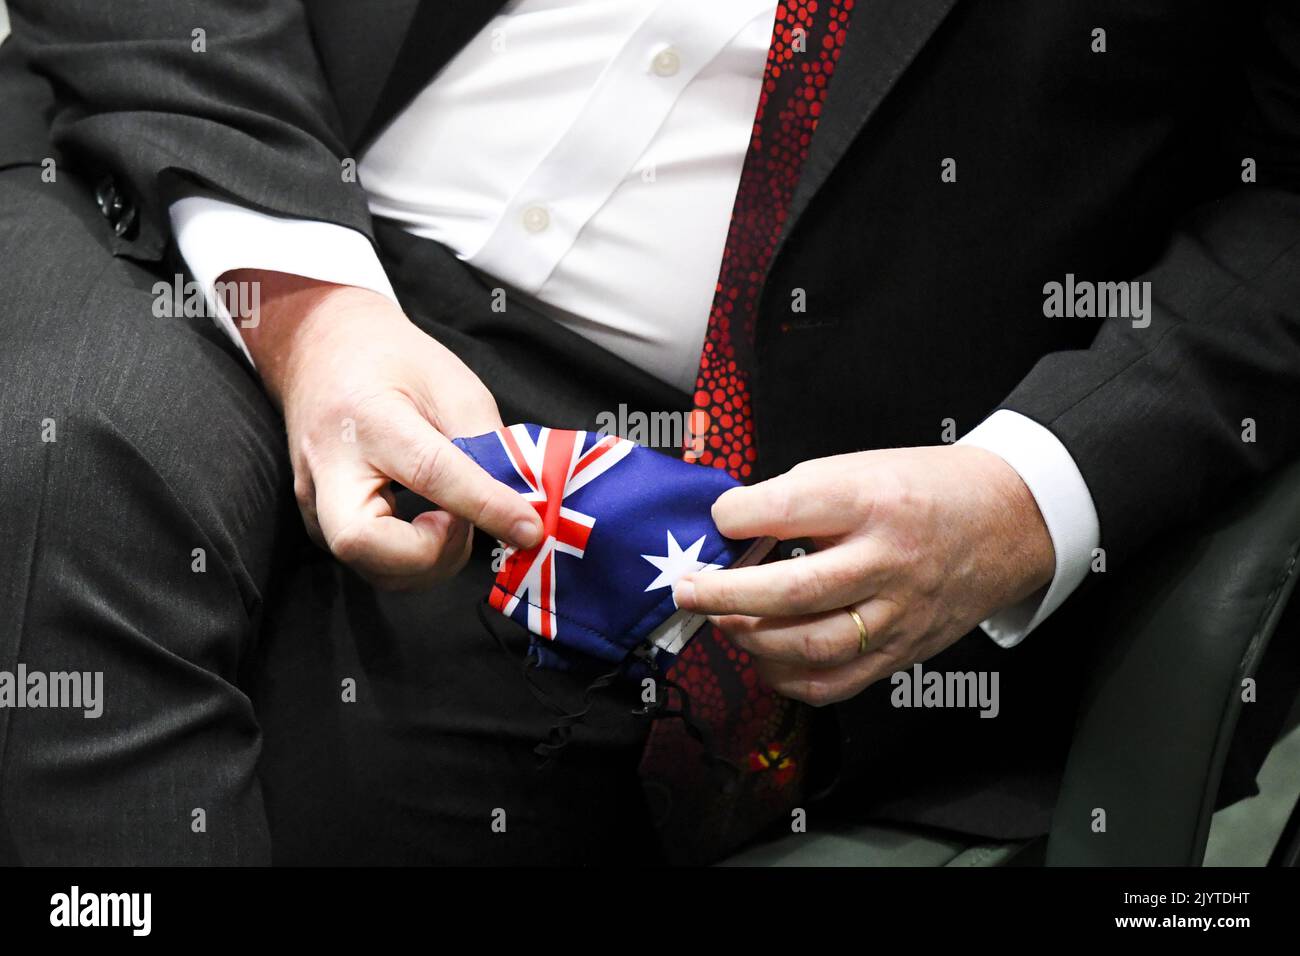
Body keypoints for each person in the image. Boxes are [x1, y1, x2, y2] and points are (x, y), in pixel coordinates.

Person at [0, 0, 1297, 865]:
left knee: (336, 807)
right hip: (211, 206)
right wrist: (313, 303)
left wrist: (1032, 488)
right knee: (58, 492)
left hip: (673, 461)